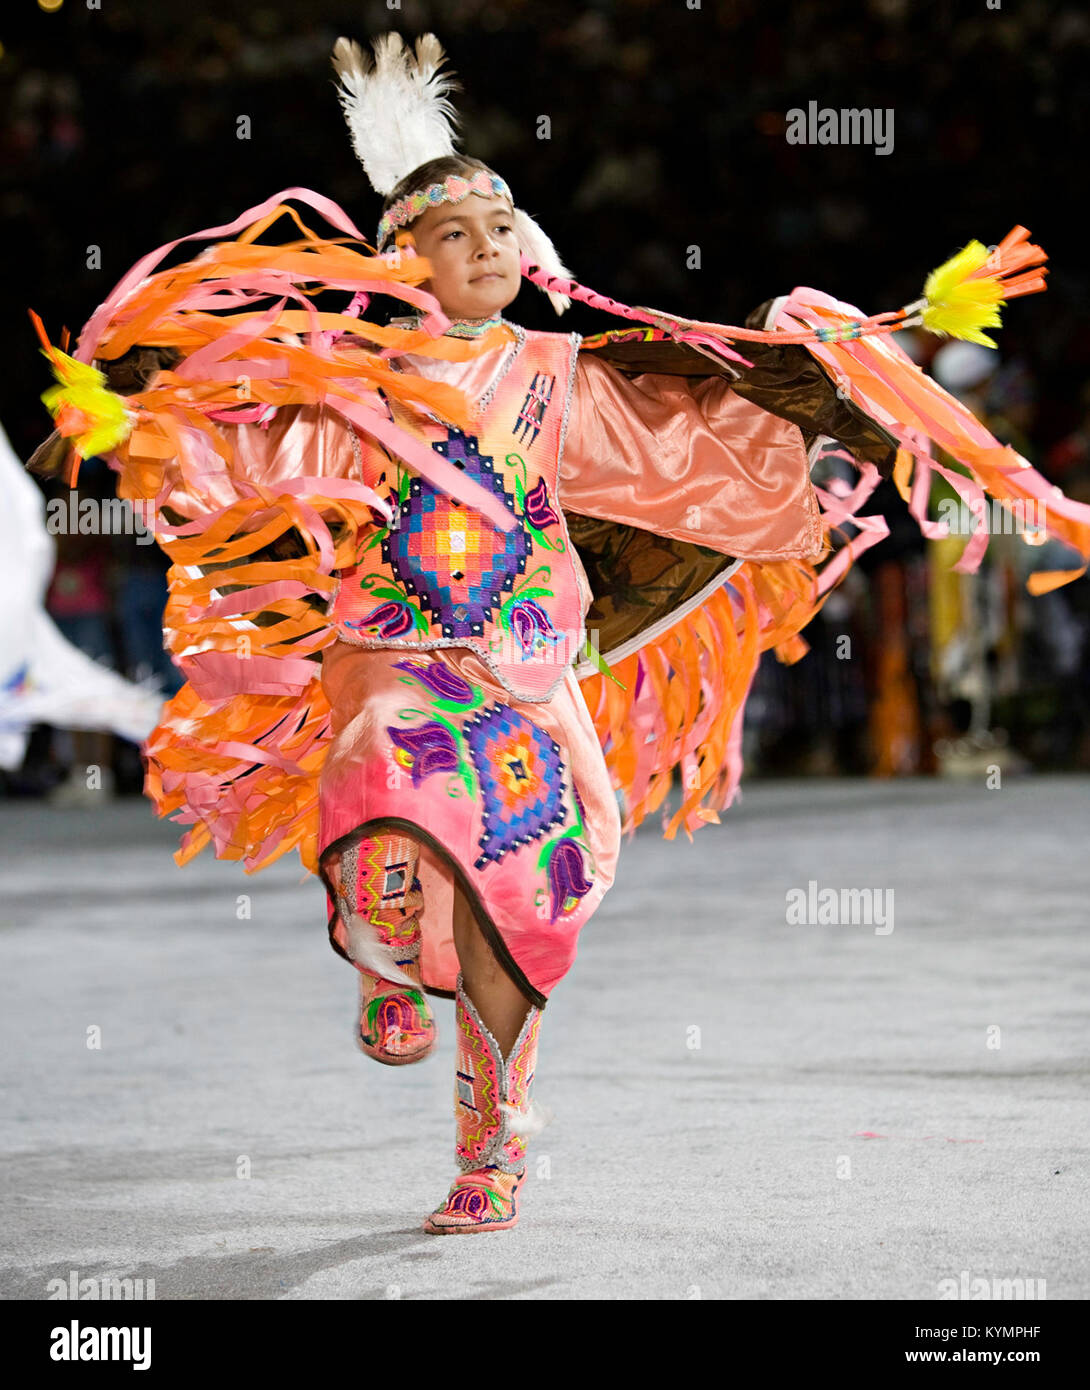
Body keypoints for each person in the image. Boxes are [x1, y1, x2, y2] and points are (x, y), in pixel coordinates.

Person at [28, 32, 1090, 1235]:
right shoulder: (359, 384)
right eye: (455, 234)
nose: (485, 249)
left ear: (527, 253)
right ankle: (380, 943)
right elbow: (256, 459)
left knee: (527, 895)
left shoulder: (557, 372)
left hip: (530, 666)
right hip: (391, 653)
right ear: (402, 262)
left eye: (500, 229)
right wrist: (140, 434)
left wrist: (826, 378)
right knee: (380, 768)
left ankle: (490, 1145)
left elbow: (687, 449)